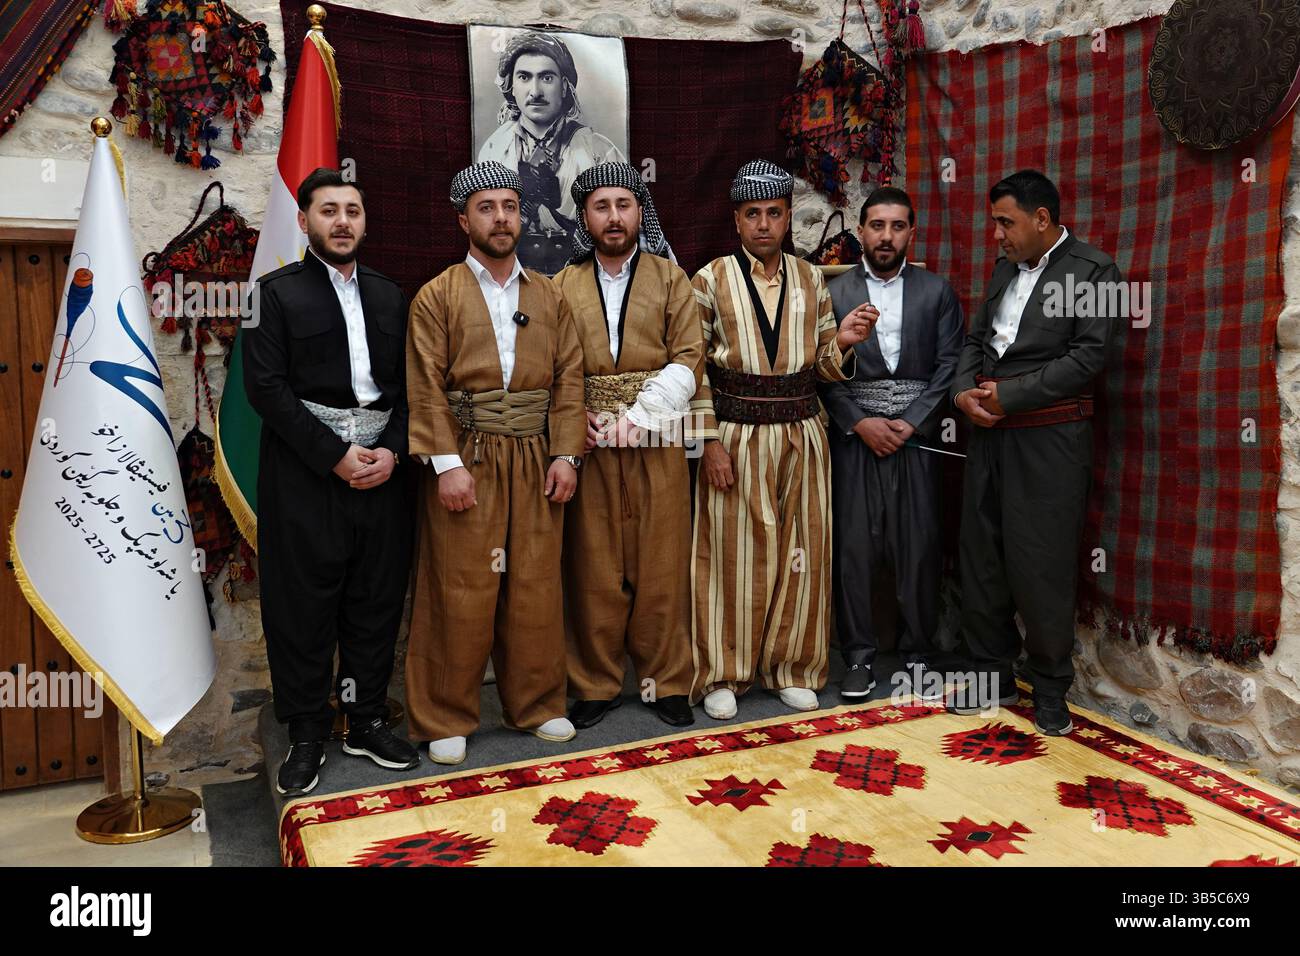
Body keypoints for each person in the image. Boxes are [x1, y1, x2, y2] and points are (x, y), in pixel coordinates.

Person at [243, 167, 419, 796]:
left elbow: (410, 389)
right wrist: (335, 456)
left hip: (383, 477)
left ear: (364, 221)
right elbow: (265, 389)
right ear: (305, 221)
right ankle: (309, 731)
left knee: (374, 601)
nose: (342, 222)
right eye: (329, 211)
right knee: (302, 607)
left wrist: (393, 453)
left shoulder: (392, 296)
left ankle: (366, 719)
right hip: (305, 477)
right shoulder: (272, 293)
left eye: (352, 211)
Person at [404, 161, 587, 765]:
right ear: (464, 218)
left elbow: (569, 380)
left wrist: (566, 454)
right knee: (460, 585)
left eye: (510, 206)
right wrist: (445, 465)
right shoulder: (438, 295)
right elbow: (425, 385)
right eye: (487, 207)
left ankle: (537, 704)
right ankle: (445, 715)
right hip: (470, 455)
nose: (501, 218)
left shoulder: (550, 293)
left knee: (535, 581)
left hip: (536, 456)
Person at [690, 159, 875, 720]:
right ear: (737, 220)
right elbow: (692, 367)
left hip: (803, 431)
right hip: (736, 433)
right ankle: (725, 672)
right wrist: (709, 444)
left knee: (803, 552)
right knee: (731, 555)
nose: (765, 224)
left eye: (774, 213)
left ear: (788, 216)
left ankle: (793, 667)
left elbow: (821, 363)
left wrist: (841, 340)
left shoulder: (813, 277)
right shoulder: (710, 278)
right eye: (754, 215)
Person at [947, 169, 1120, 736]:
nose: (996, 234)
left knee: (1041, 562)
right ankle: (989, 676)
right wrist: (963, 393)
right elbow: (976, 341)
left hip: (1049, 441)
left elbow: (1088, 357)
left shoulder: (1094, 271)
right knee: (983, 556)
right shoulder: (1003, 270)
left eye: (1005, 222)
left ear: (1041, 219)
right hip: (990, 435)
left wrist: (1012, 396)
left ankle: (1049, 689)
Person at [552, 162, 703, 729]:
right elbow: (553, 364)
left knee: (661, 561)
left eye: (624, 204)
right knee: (593, 563)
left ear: (640, 212)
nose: (613, 217)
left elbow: (689, 356)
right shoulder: (560, 285)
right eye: (601, 206)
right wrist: (578, 417)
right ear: (585, 216)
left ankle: (665, 681)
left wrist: (642, 416)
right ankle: (594, 684)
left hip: (656, 436)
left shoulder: (670, 279)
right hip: (588, 440)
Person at [818, 186, 963, 700]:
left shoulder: (936, 291)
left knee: (918, 546)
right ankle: (857, 657)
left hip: (915, 440)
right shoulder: (831, 293)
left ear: (911, 232)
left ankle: (918, 653)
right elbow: (819, 370)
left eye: (897, 226)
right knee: (854, 547)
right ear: (861, 232)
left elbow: (952, 365)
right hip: (856, 438)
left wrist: (914, 420)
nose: (886, 235)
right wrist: (859, 422)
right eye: (876, 225)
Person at [477, 31, 625, 274]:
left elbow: (620, 223)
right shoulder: (494, 149)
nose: (535, 91)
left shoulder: (600, 151)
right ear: (511, 87)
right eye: (524, 77)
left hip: (582, 276)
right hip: (512, 278)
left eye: (547, 78)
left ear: (565, 87)